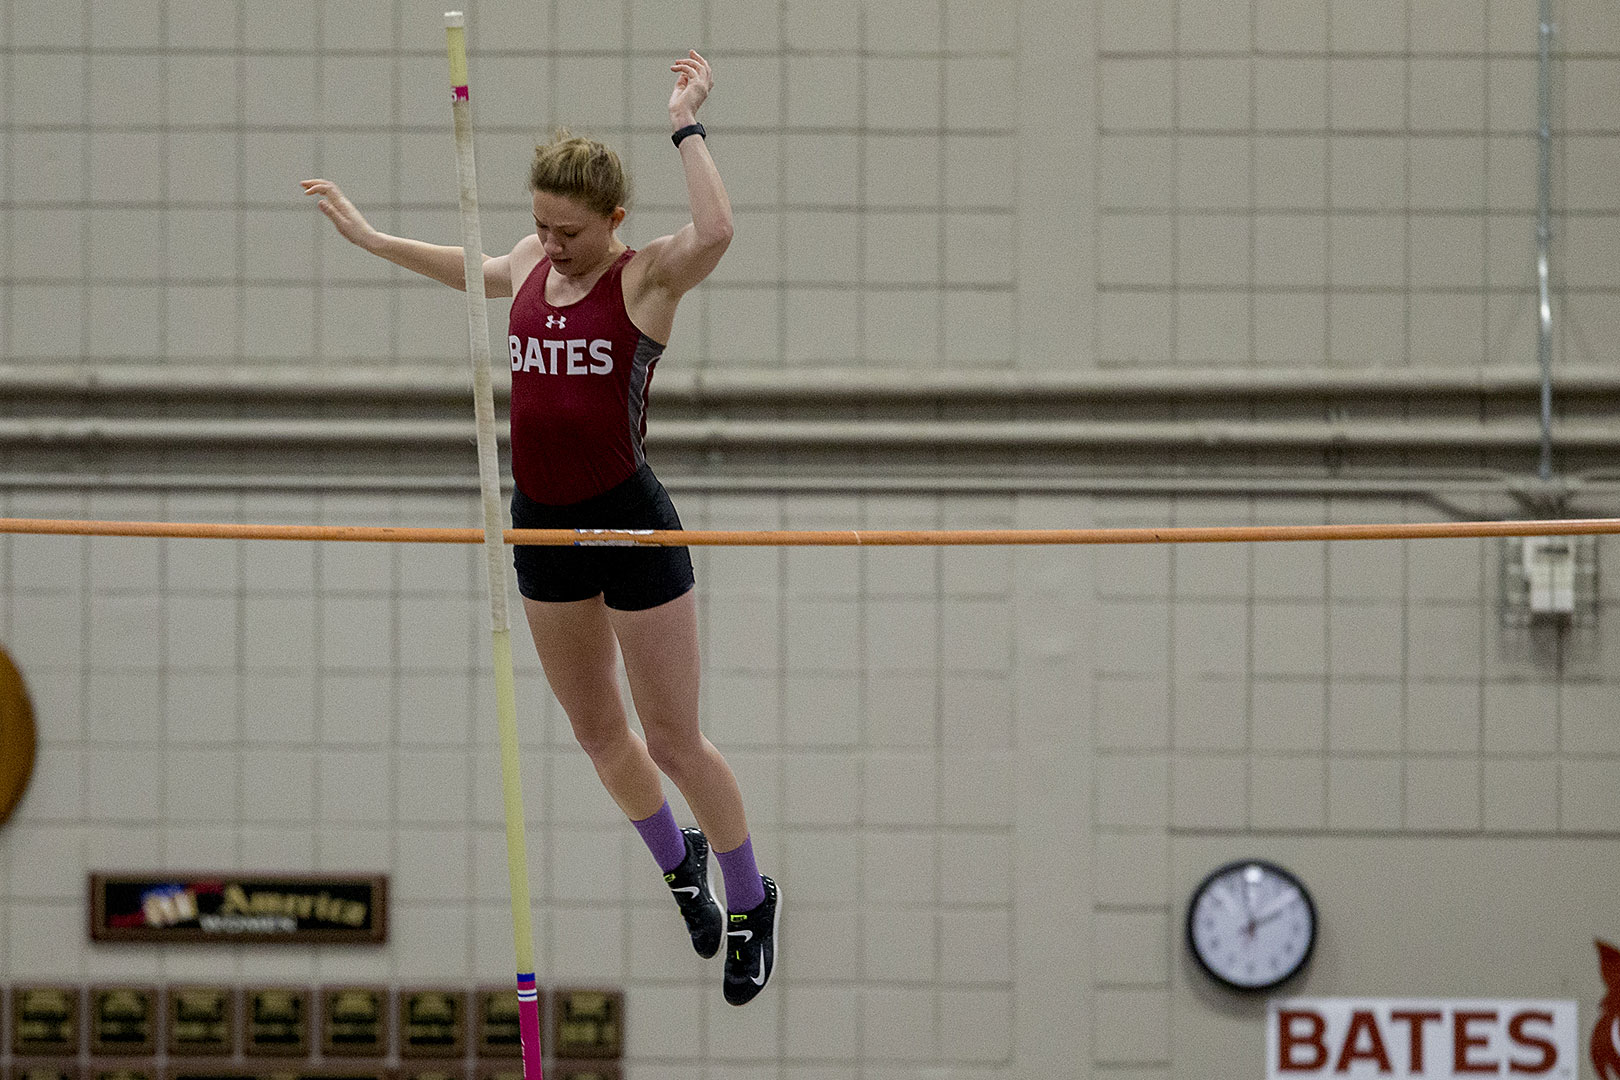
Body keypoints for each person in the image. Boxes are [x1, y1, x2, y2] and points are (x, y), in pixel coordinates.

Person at [302, 50, 777, 1006]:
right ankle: (677, 861)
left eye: (568, 232)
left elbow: (720, 226)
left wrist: (684, 121)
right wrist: (372, 239)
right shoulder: (528, 263)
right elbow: (474, 269)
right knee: (600, 733)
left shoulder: (646, 282)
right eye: (540, 227)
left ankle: (750, 897)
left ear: (613, 222)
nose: (549, 246)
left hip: (629, 519)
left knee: (674, 740)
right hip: (542, 522)